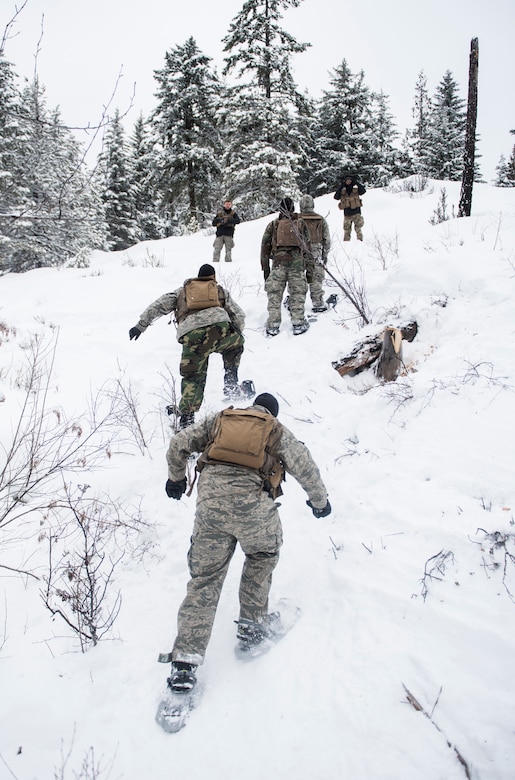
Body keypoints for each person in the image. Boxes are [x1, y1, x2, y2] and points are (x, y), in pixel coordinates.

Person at [162, 392, 331, 692]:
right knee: (263, 553)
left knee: (205, 579)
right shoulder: (275, 429)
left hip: (211, 510)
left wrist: (176, 479)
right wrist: (320, 502)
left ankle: (185, 663)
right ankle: (252, 627)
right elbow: (304, 465)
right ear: (272, 413)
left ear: (252, 406)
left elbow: (178, 444)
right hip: (254, 512)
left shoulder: (220, 420)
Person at [129, 264, 246, 429]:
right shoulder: (219, 290)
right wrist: (236, 332)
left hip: (192, 336)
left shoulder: (182, 291)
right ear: (213, 277)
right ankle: (231, 384)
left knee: (193, 376)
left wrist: (140, 326)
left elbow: (158, 305)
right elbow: (239, 315)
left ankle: (187, 418)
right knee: (235, 346)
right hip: (220, 330)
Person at [260, 197, 313, 337]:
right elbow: (308, 247)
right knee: (297, 294)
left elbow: (264, 248)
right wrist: (310, 271)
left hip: (278, 264)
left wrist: (266, 271)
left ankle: (273, 325)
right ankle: (298, 323)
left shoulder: (273, 224)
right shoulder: (301, 223)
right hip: (297, 264)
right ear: (293, 208)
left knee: (274, 295)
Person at [299, 194, 331, 313]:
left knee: (298, 277)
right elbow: (326, 240)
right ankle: (318, 302)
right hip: (315, 250)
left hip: (299, 250)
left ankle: (296, 303)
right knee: (316, 277)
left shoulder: (296, 219)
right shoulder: (320, 219)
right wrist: (325, 255)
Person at [334, 175, 366, 241]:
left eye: (349, 180)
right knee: (347, 230)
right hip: (347, 213)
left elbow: (363, 191)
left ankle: (360, 242)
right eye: (347, 180)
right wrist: (341, 186)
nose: (348, 182)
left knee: (358, 228)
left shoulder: (355, 189)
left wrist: (356, 183)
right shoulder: (342, 190)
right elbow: (336, 197)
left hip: (356, 212)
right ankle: (346, 243)